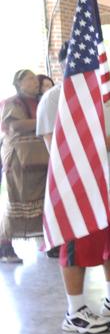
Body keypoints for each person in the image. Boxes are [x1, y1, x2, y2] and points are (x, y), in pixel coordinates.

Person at [37, 44, 110, 333]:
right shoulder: (55, 99)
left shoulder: (105, 97)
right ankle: (74, 310)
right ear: (67, 64)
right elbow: (58, 152)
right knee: (79, 247)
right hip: (82, 190)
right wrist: (107, 145)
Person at [0, 70, 48, 264]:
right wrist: (44, 122)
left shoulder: (42, 101)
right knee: (17, 201)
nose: (34, 81)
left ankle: (48, 242)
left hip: (42, 160)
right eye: (29, 78)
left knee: (43, 201)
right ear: (18, 83)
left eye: (34, 78)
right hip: (19, 162)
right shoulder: (12, 102)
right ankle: (4, 246)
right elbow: (15, 127)